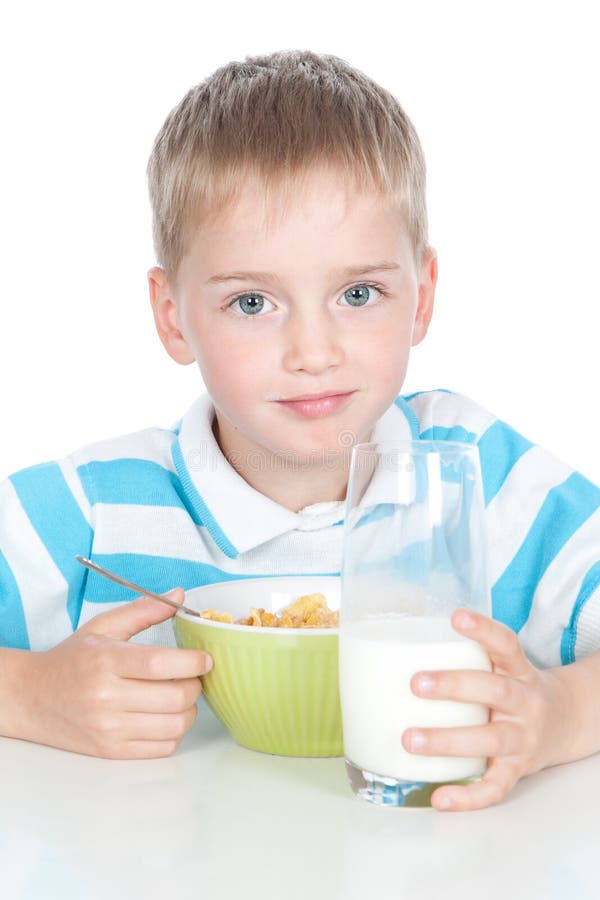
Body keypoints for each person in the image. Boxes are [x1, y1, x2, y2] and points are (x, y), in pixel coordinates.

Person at [0, 49, 599, 812]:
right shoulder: (93, 511)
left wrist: (559, 717)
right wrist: (25, 696)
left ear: (422, 297)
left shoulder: (475, 477)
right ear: (172, 315)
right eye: (253, 303)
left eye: (358, 292)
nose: (313, 354)